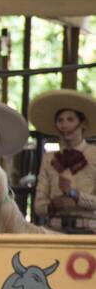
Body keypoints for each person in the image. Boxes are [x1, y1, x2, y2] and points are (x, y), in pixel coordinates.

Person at [29, 89, 96, 234]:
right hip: (55, 231)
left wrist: (76, 196)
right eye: (60, 120)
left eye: (70, 119)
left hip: (89, 232)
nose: (65, 125)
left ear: (82, 123)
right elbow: (38, 206)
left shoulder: (94, 154)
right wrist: (53, 205)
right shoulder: (49, 158)